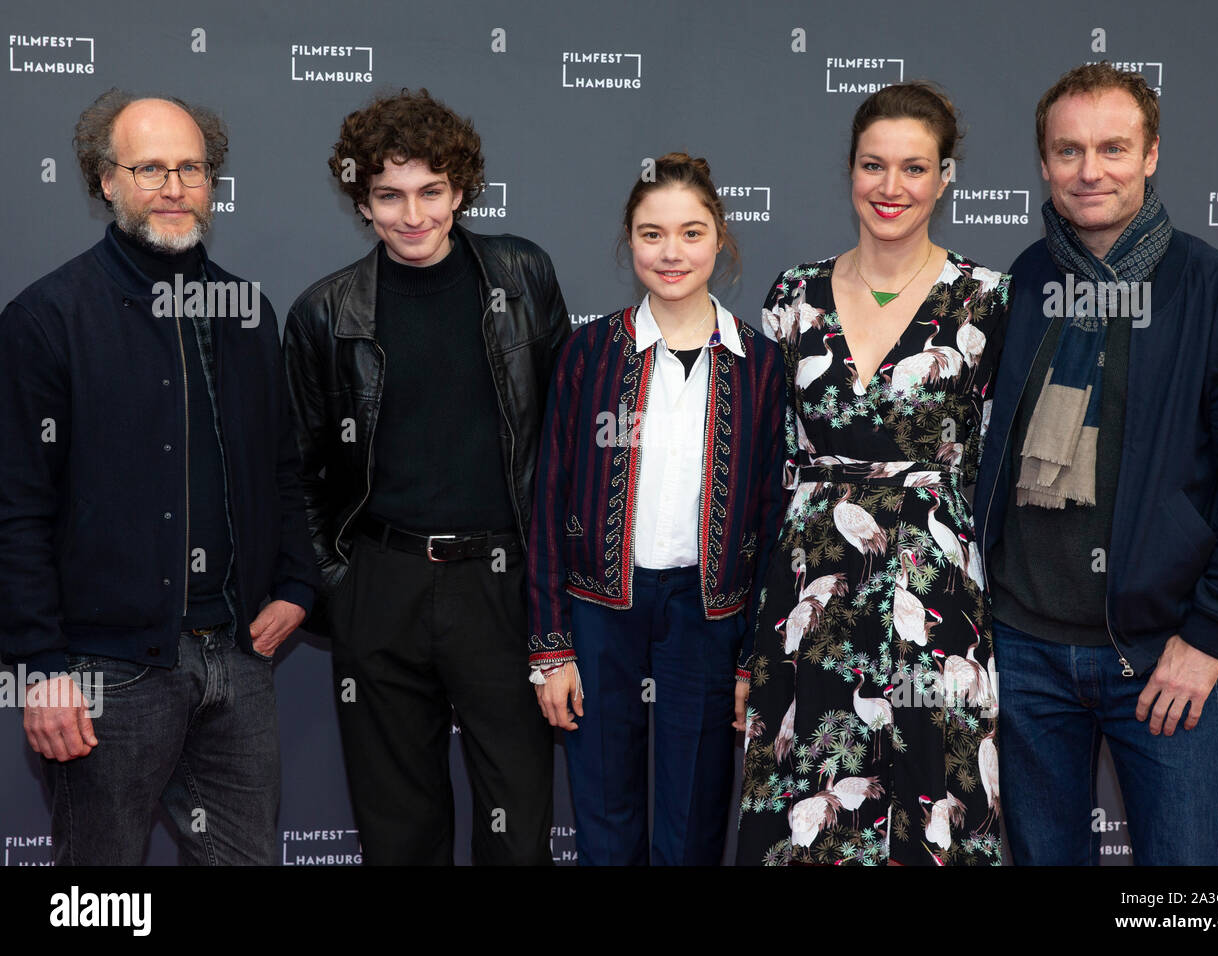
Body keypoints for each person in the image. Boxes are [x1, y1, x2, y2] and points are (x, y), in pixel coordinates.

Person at [974, 62, 1218, 866]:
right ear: (1044, 164)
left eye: (1113, 148)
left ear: (1151, 154)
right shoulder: (1020, 284)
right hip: (1022, 652)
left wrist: (1209, 635)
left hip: (1161, 655)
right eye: (1069, 151)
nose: (1091, 171)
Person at [0, 89, 318, 865]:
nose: (174, 188)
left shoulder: (247, 312)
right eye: (150, 169)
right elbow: (15, 509)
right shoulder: (47, 320)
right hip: (107, 674)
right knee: (102, 888)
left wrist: (299, 585)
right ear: (105, 181)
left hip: (238, 662)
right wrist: (40, 669)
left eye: (191, 168)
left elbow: (282, 466)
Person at [283, 88, 568, 865]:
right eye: (389, 195)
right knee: (398, 835)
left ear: (461, 189)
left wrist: (550, 589)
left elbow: (565, 443)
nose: (412, 215)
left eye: (430, 192)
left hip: (503, 586)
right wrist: (343, 587)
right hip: (383, 583)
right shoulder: (324, 314)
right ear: (362, 200)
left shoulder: (523, 276)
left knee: (519, 830)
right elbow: (300, 473)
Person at [735, 83, 1010, 866]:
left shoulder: (989, 301)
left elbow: (996, 461)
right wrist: (759, 640)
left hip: (936, 591)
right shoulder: (793, 297)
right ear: (849, 170)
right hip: (810, 596)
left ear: (946, 177)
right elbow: (771, 467)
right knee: (812, 792)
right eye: (873, 165)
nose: (891, 188)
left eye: (914, 168)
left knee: (933, 796)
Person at [529, 153, 786, 865]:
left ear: (721, 240)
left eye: (691, 232)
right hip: (600, 606)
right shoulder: (588, 353)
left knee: (695, 814)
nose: (671, 252)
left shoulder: (759, 363)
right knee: (604, 810)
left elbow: (770, 517)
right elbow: (549, 498)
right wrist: (551, 648)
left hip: (710, 612)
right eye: (651, 234)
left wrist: (750, 661)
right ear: (628, 241)